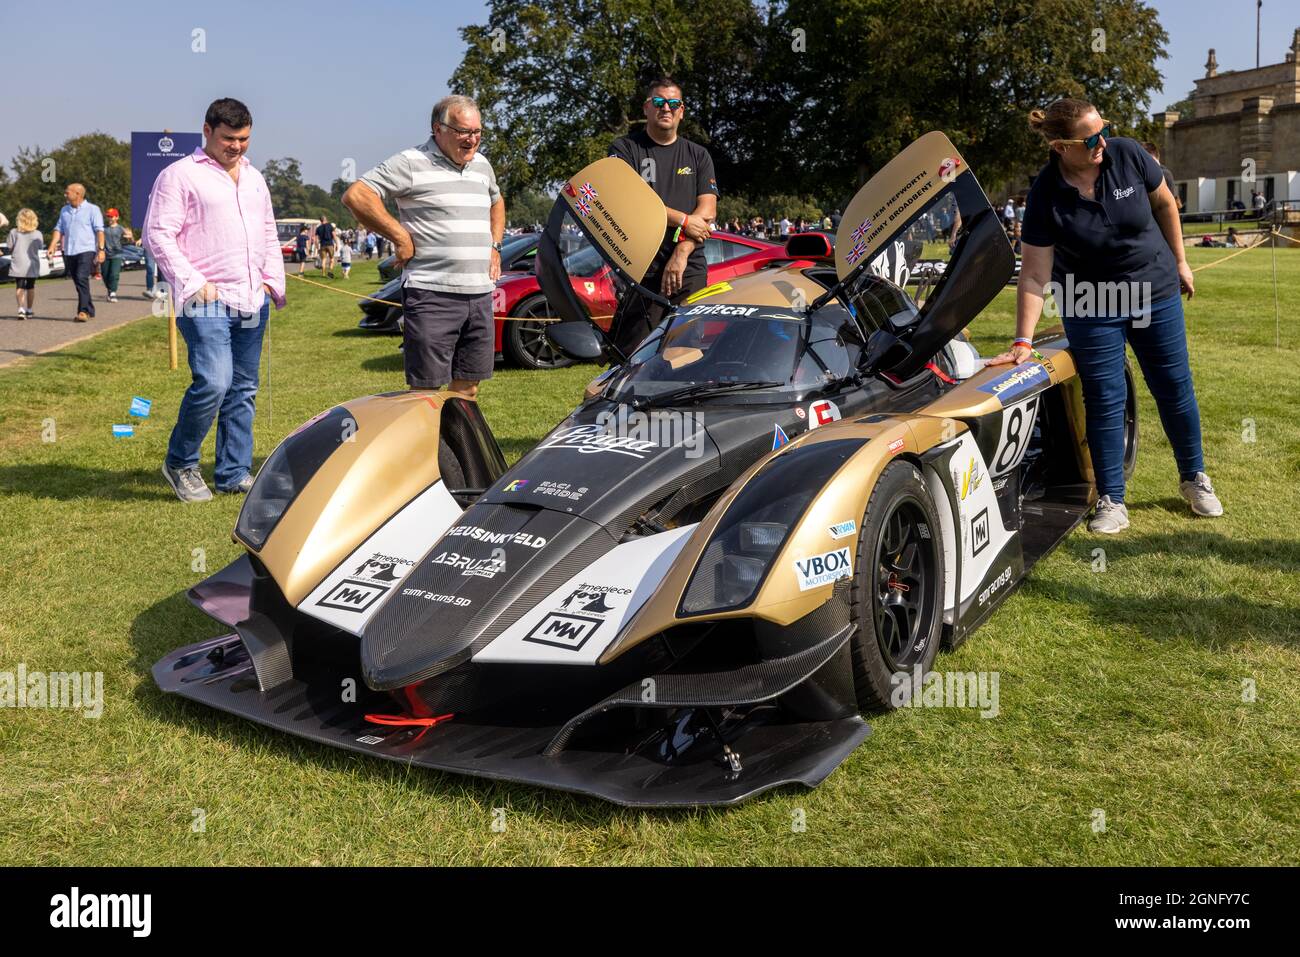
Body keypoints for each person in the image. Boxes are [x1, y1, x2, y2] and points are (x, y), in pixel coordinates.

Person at [989, 97, 1221, 533]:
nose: (1102, 142)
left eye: (1103, 130)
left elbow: (1166, 205)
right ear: (1061, 146)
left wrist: (1181, 261)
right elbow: (1036, 275)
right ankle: (1112, 499)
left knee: (1174, 387)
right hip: (1090, 304)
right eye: (1090, 138)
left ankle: (1195, 477)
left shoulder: (1128, 154)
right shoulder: (1044, 193)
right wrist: (1022, 340)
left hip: (1154, 291)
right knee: (1105, 396)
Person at [145, 97, 286, 502]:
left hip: (250, 298)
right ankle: (180, 462)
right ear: (206, 131)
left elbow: (268, 232)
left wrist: (272, 282)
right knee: (214, 381)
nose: (237, 147)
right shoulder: (179, 176)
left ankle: (234, 472)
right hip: (204, 298)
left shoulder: (255, 178)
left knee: (243, 387)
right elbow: (158, 235)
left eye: (244, 139)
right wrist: (193, 282)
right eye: (228, 139)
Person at [344, 93, 506, 400]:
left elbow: (496, 202)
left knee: (468, 388)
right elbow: (357, 195)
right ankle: (425, 449)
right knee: (425, 393)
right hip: (432, 293)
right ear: (438, 129)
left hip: (480, 293)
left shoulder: (482, 165)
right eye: (463, 132)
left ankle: (451, 449)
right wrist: (400, 237)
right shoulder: (411, 163)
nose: (472, 140)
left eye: (477, 132)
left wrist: (495, 245)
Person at [606, 76, 719, 356]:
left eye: (673, 103)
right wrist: (683, 219)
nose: (665, 108)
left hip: (689, 267)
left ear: (681, 111)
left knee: (686, 352)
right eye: (658, 102)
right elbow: (629, 200)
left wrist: (680, 253)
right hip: (641, 265)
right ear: (646, 108)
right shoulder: (624, 149)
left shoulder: (698, 155)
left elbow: (708, 211)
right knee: (631, 353)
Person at [48, 183, 105, 321]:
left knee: (81, 278)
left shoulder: (93, 209)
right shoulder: (64, 210)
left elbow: (100, 230)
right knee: (79, 281)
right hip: (69, 250)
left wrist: (101, 250)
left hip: (86, 249)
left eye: (67, 192)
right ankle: (90, 309)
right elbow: (59, 229)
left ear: (78, 194)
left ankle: (83, 311)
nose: (65, 195)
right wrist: (52, 245)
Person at [7, 208, 42, 319]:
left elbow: (10, 247)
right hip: (32, 263)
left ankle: (21, 309)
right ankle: (29, 310)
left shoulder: (13, 232)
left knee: (19, 286)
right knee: (31, 287)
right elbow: (40, 247)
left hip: (18, 262)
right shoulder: (38, 233)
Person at [100, 208, 130, 302]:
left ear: (117, 217)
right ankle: (110, 290)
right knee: (105, 275)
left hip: (117, 254)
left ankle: (113, 292)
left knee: (114, 274)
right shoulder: (103, 228)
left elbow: (129, 236)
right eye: (108, 216)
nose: (109, 218)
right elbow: (99, 239)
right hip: (105, 254)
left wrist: (128, 236)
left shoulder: (120, 228)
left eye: (111, 216)